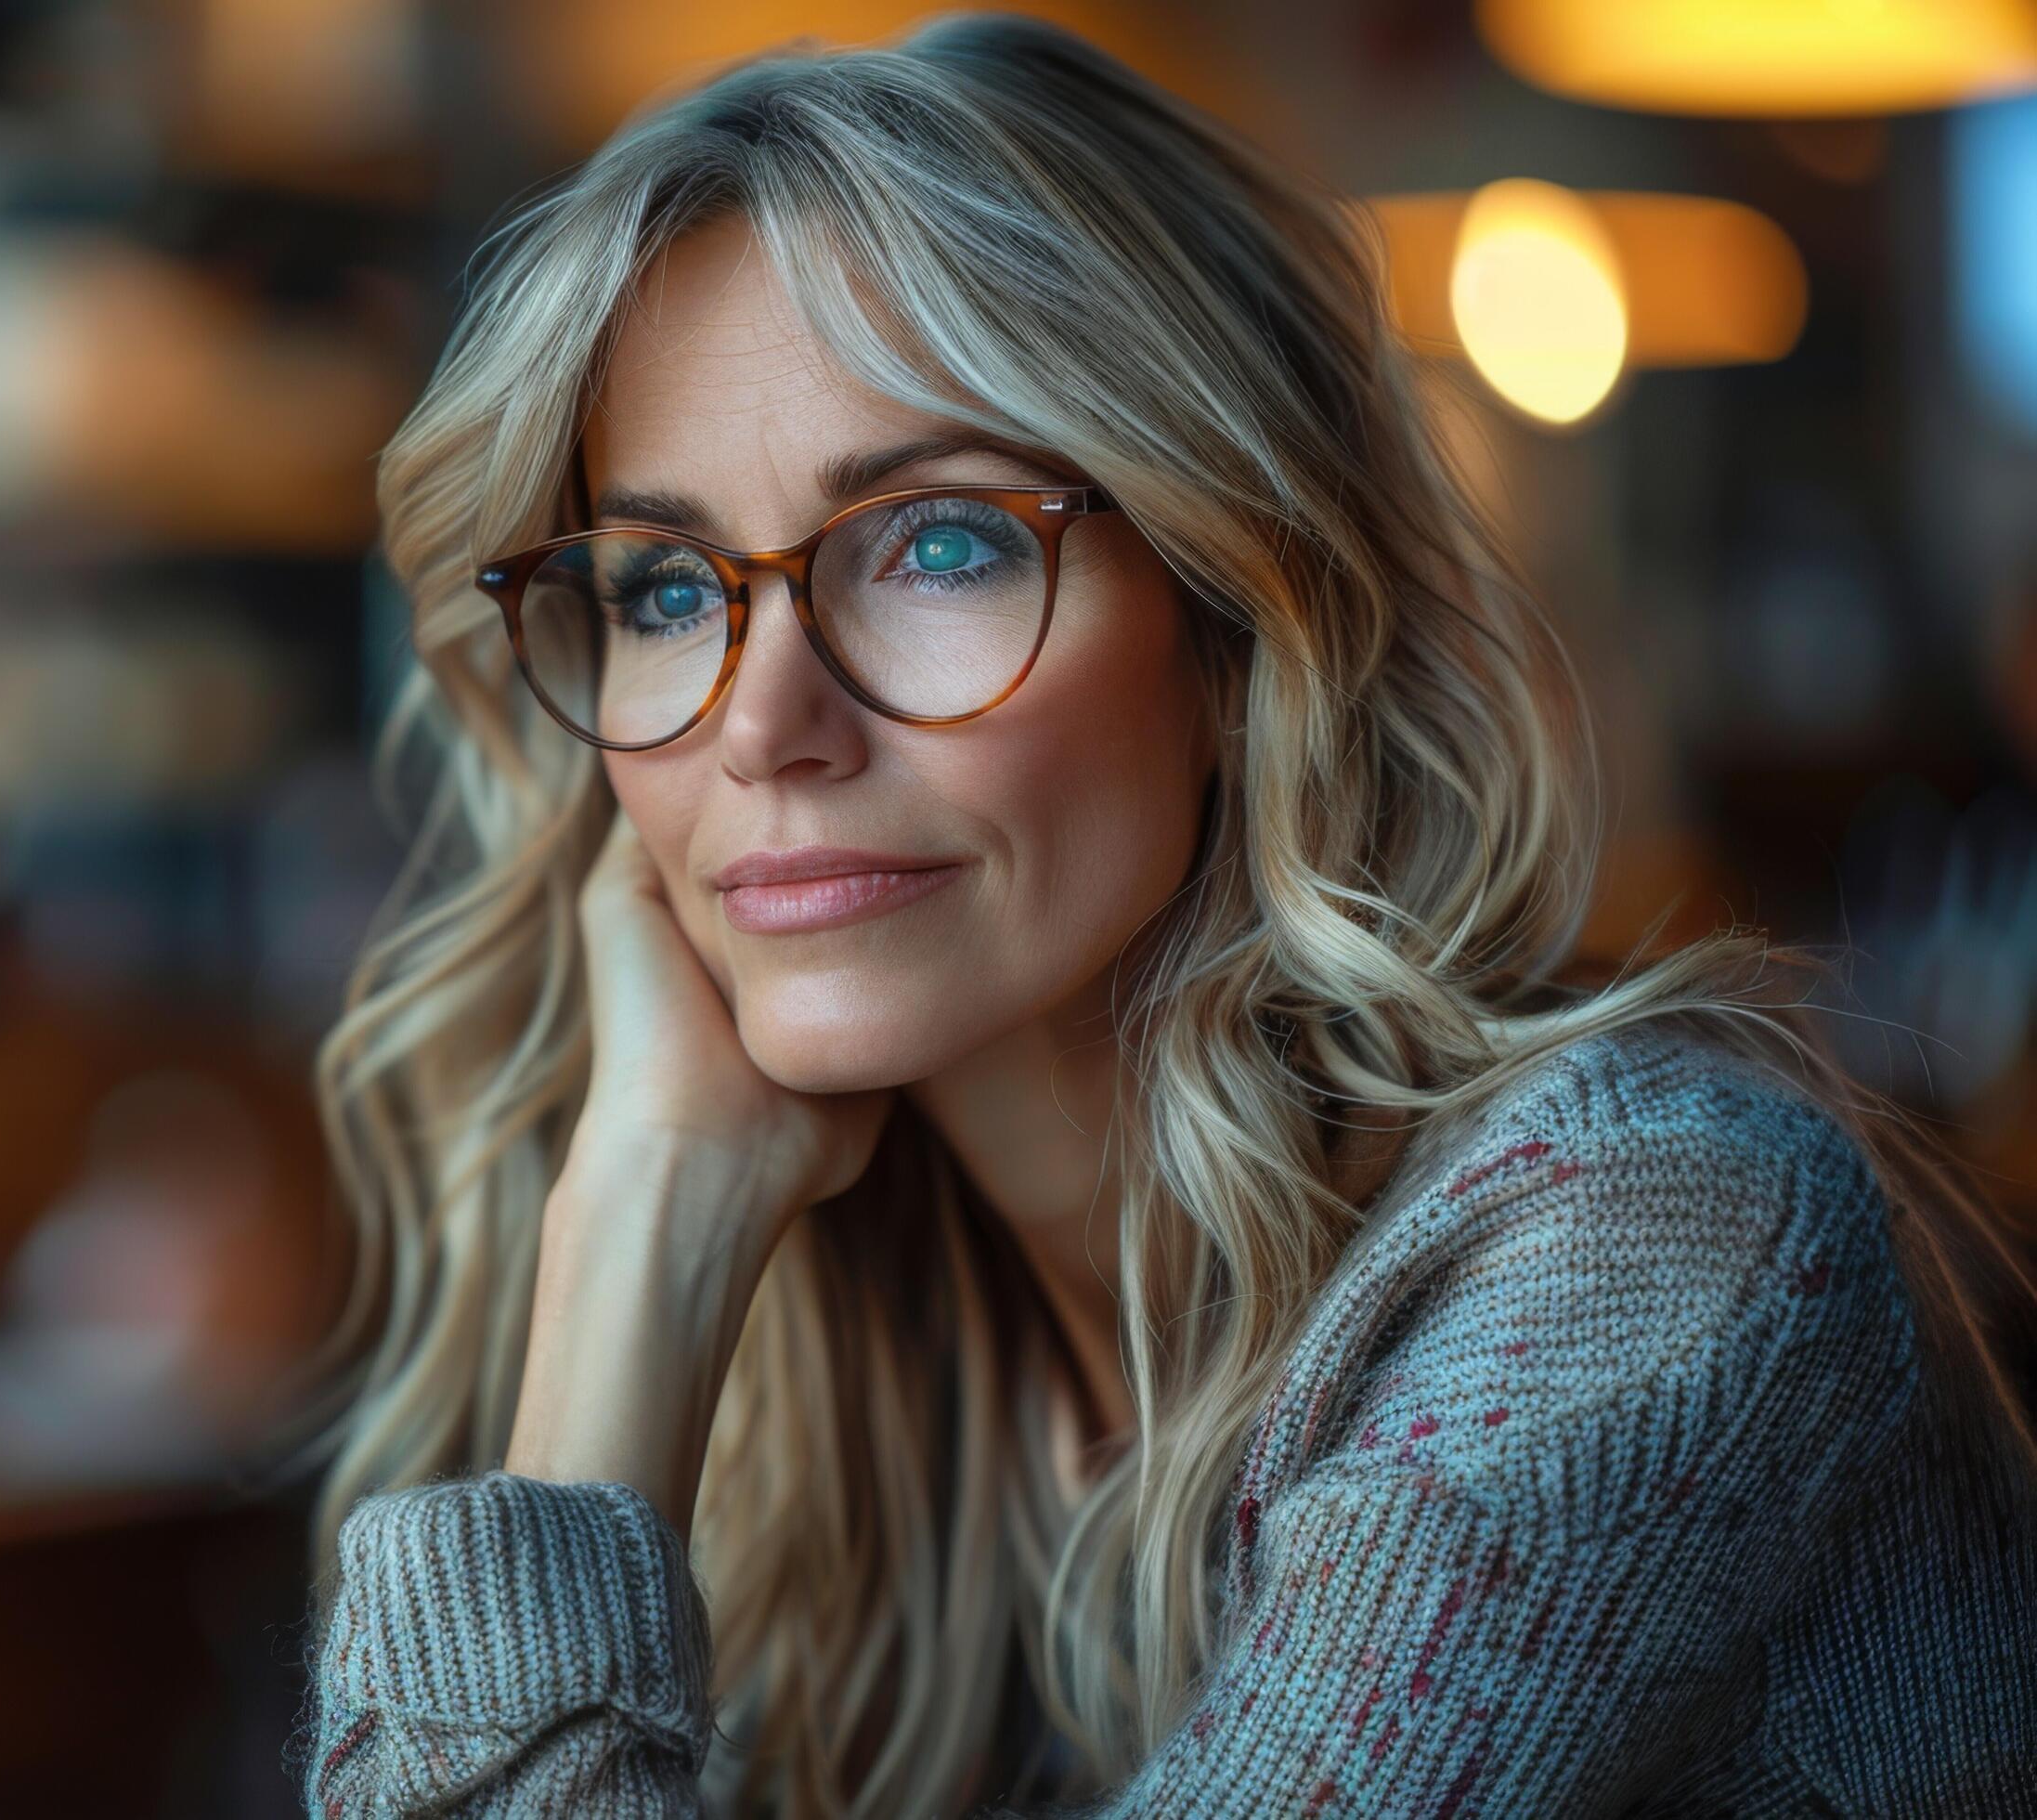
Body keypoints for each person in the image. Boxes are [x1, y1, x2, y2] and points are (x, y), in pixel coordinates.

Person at [263, 11, 2037, 1817]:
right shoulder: (878, 1366)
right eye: (660, 587)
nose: (759, 724)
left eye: (938, 541)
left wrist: (631, 1259)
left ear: (1239, 617)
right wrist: (653, 1209)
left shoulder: (1651, 1248)